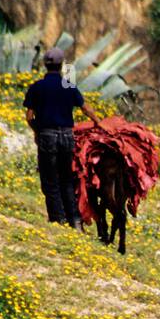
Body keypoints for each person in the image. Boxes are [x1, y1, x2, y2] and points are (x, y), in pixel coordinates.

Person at [23, 47, 102, 232]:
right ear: (61, 66)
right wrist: (99, 122)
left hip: (47, 137)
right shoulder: (68, 86)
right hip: (67, 137)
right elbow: (85, 108)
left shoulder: (37, 87)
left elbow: (29, 116)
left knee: (50, 180)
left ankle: (57, 221)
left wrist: (37, 131)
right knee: (66, 180)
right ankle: (75, 221)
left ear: (45, 65)